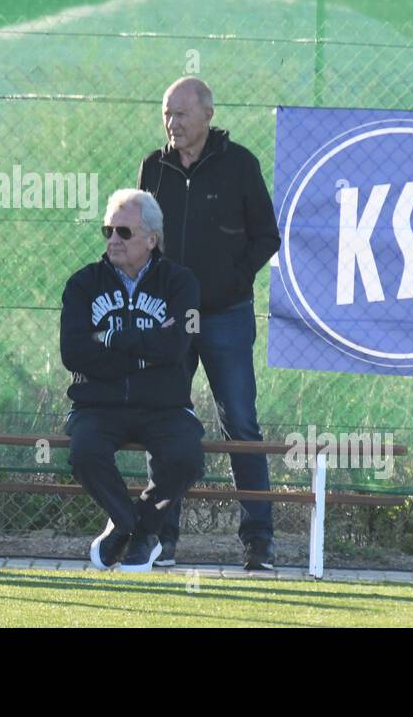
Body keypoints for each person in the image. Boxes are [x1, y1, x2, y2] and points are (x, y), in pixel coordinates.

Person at [137, 76, 282, 570]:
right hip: (168, 320)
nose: (171, 123)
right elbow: (139, 237)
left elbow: (267, 236)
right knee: (166, 421)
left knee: (240, 422)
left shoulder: (240, 165)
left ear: (207, 115)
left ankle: (258, 542)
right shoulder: (152, 168)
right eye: (166, 113)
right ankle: (161, 538)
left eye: (180, 113)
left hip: (227, 316)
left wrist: (232, 279)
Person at [60, 189, 204, 572]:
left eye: (124, 232)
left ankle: (139, 529)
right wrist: (143, 356)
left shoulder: (182, 283)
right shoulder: (82, 284)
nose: (113, 240)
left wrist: (109, 340)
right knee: (84, 452)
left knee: (187, 458)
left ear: (151, 239)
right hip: (98, 404)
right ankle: (131, 526)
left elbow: (176, 347)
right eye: (108, 230)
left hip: (164, 405)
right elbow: (73, 353)